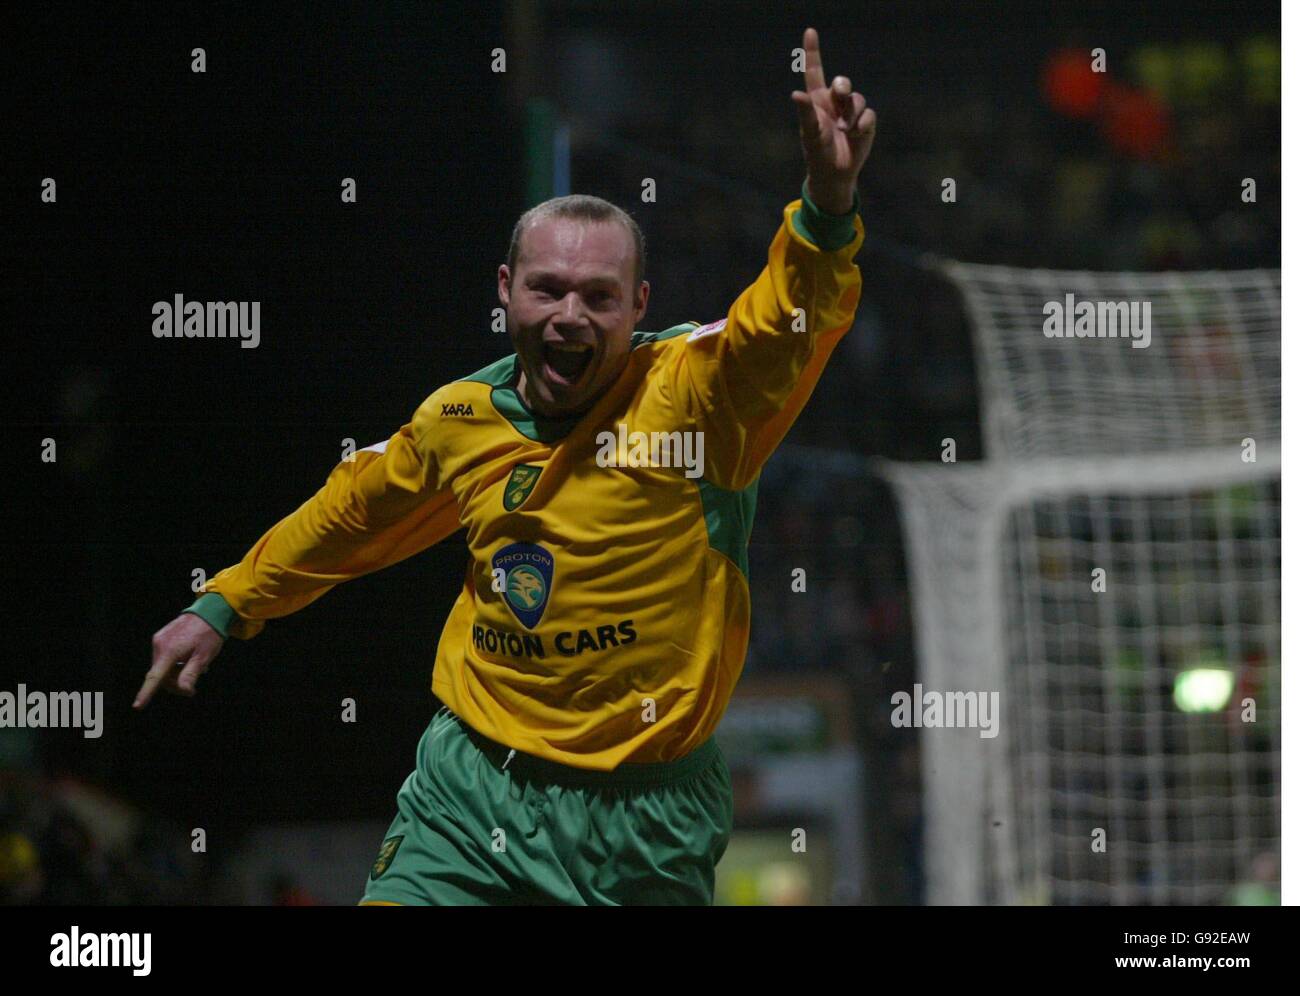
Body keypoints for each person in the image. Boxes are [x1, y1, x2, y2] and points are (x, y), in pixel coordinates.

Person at [135, 26, 875, 906]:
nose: (570, 315)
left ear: (638, 304)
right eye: (547, 289)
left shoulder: (697, 394)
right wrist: (227, 601)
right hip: (473, 790)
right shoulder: (457, 421)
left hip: (644, 819)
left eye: (599, 296)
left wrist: (825, 208)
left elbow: (785, 318)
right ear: (504, 290)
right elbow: (350, 513)